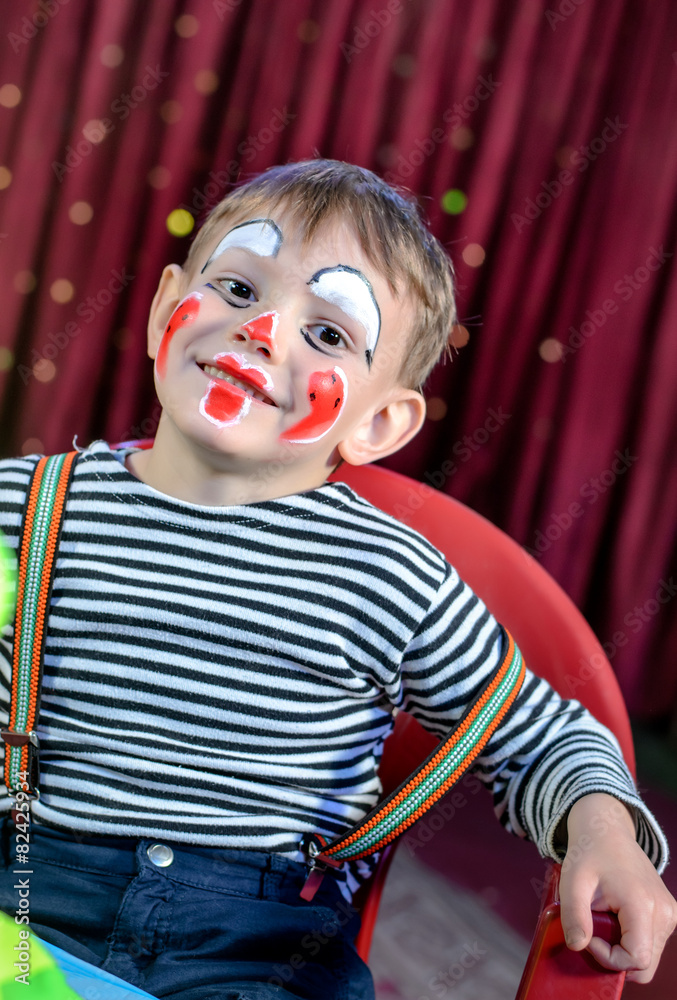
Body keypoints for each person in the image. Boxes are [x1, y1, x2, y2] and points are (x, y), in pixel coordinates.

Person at [0, 159, 675, 1000]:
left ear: (381, 421)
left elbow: (543, 735)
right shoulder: (26, 510)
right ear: (164, 307)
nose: (265, 330)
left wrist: (602, 830)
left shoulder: (389, 575)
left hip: (254, 953)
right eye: (239, 289)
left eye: (327, 332)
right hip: (27, 910)